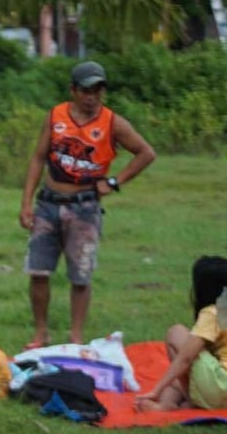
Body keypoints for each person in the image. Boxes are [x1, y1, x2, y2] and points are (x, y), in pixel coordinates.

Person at [19, 60, 156, 348]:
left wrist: (116, 181)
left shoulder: (112, 122)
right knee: (39, 271)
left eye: (98, 90)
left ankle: (76, 335)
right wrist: (26, 203)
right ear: (73, 90)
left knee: (80, 275)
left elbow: (145, 153)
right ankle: (40, 332)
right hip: (48, 202)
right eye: (86, 90)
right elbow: (38, 157)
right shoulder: (56, 116)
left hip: (85, 206)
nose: (92, 96)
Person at [136, 256, 227, 412]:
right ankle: (180, 400)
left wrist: (156, 390)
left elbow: (185, 358)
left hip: (220, 387)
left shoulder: (213, 312)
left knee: (176, 333)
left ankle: (172, 404)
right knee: (177, 381)